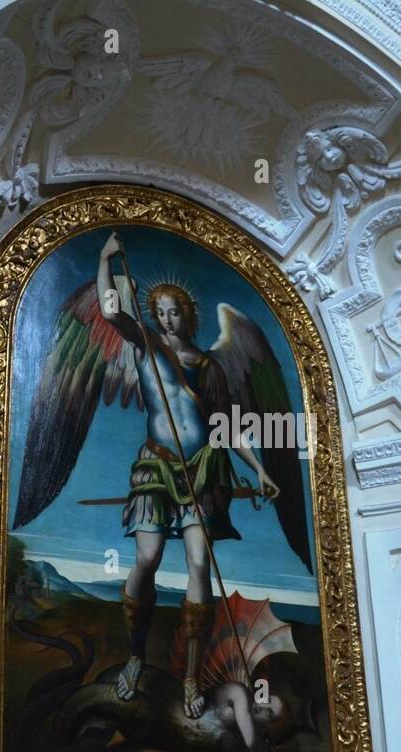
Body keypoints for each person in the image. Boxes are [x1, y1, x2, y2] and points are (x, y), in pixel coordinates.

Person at [94, 231, 279, 718]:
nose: (167, 319)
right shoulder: (146, 345)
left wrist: (259, 468)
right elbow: (112, 311)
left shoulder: (210, 366)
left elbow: (226, 428)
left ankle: (192, 677)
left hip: (201, 470)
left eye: (175, 312)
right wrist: (106, 258)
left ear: (189, 316)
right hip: (156, 465)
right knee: (149, 557)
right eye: (160, 312)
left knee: (199, 564)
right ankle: (136, 658)